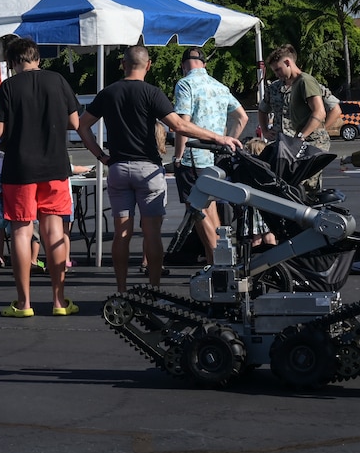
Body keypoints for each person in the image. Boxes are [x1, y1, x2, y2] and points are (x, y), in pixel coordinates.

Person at [76, 45, 243, 293]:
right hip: (148, 170)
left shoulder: (107, 93)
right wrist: (218, 138)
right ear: (149, 65)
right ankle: (154, 288)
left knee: (122, 232)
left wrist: (102, 157)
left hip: (119, 167)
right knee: (152, 233)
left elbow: (82, 126)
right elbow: (178, 126)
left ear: (123, 64)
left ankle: (121, 290)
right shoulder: (152, 93)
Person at [0, 37, 80, 317]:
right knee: (54, 232)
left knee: (21, 232)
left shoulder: (8, 87)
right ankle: (59, 301)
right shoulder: (58, 81)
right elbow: (75, 123)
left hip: (19, 169)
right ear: (38, 58)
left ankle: (24, 302)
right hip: (54, 166)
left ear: (13, 62)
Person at [172, 47, 249, 264]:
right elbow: (242, 118)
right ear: (204, 64)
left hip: (193, 157)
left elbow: (182, 125)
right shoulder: (220, 87)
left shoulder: (185, 84)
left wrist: (178, 156)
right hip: (215, 158)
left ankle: (217, 262)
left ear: (183, 65)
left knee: (197, 210)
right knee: (211, 207)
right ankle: (220, 258)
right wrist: (228, 141)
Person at [266, 44, 330, 196]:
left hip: (313, 141)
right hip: (305, 140)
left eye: (278, 69)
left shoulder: (305, 81)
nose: (277, 75)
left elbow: (319, 112)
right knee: (295, 186)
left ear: (288, 63)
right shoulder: (294, 84)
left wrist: (301, 136)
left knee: (305, 187)